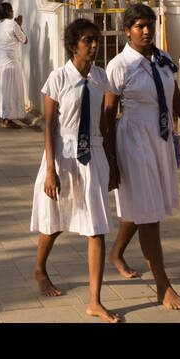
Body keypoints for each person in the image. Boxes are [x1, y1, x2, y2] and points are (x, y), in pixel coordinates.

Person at [104, 2, 180, 310]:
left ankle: (117, 253)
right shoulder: (119, 66)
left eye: (149, 25)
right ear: (127, 31)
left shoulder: (162, 58)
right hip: (134, 143)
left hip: (161, 141)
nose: (146, 31)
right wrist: (111, 161)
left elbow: (174, 98)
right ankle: (163, 286)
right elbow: (109, 113)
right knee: (150, 217)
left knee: (147, 205)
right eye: (139, 26)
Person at [30, 19, 119, 322]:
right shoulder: (58, 78)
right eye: (87, 40)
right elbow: (49, 126)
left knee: (97, 227)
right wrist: (50, 170)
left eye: (95, 40)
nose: (93, 45)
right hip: (63, 154)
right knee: (54, 221)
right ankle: (40, 269)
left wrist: (111, 162)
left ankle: (95, 300)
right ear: (72, 45)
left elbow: (106, 124)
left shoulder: (101, 78)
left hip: (92, 155)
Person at [0, 3, 27, 128]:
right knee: (10, 91)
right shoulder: (13, 24)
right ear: (8, 12)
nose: (13, 12)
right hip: (10, 62)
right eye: (12, 10)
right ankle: (7, 119)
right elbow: (24, 39)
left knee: (1, 90)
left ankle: (3, 116)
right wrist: (19, 25)